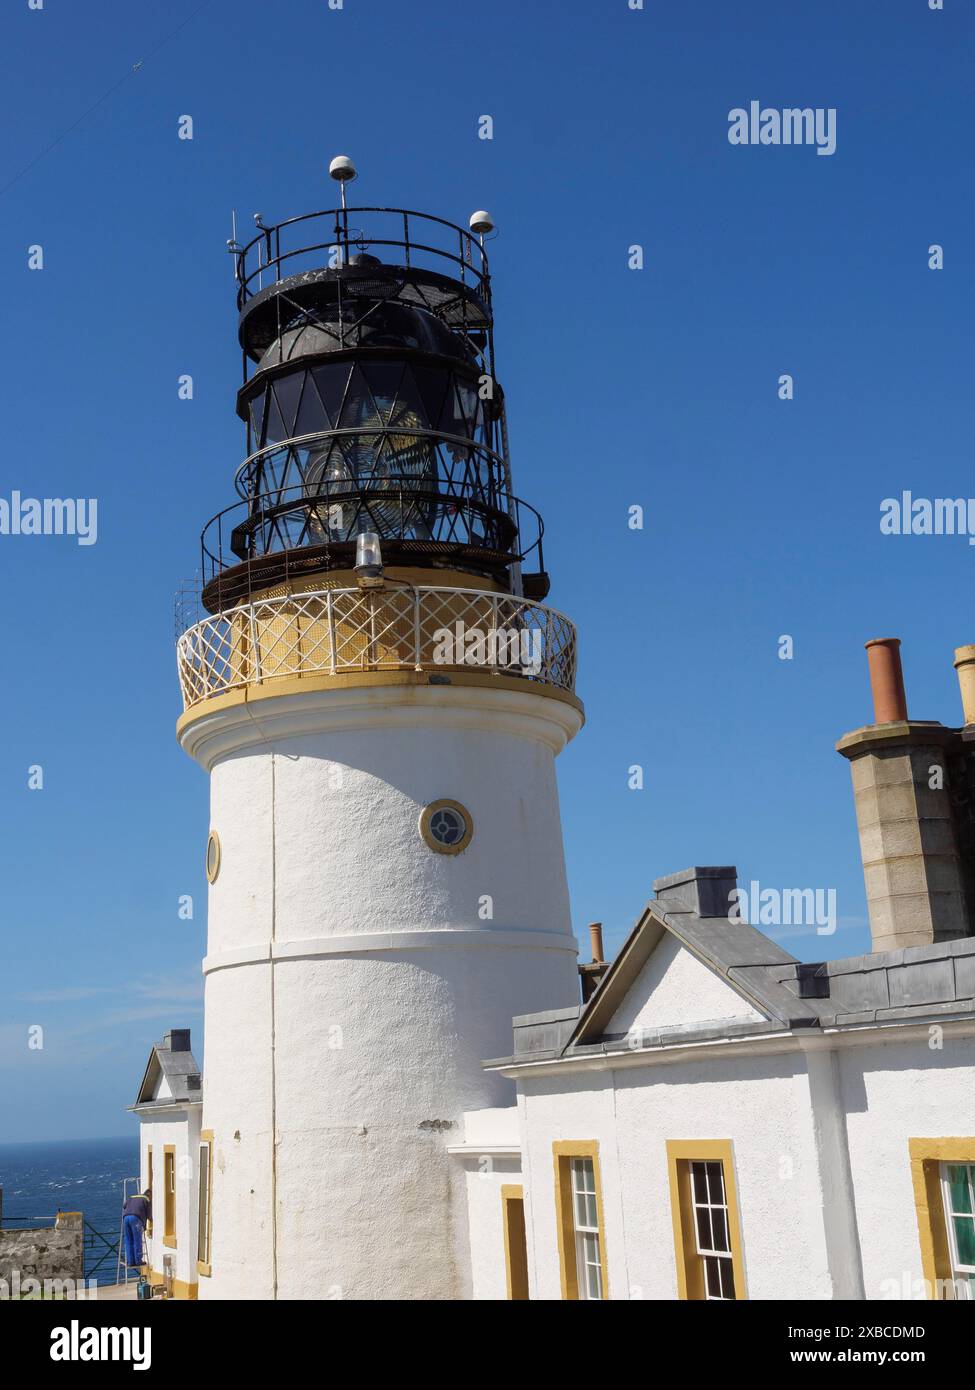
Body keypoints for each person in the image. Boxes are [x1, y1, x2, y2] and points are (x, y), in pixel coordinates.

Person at [122, 1190, 151, 1270]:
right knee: (137, 1240)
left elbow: (124, 1206)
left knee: (128, 1240)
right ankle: (138, 1260)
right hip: (135, 1218)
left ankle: (130, 1261)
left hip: (125, 1218)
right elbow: (149, 1216)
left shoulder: (132, 1197)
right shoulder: (146, 1200)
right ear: (149, 1196)